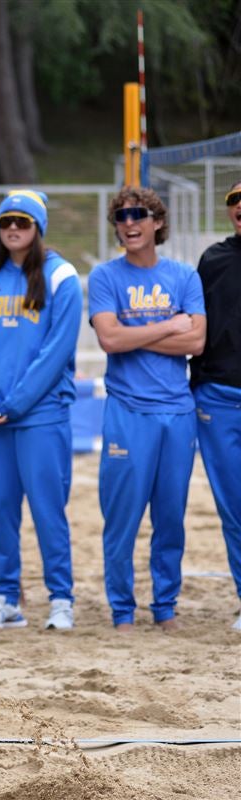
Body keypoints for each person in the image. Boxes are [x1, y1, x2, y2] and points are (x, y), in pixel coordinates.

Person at [88, 186, 205, 631]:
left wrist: (137, 330)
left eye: (138, 214)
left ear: (157, 222)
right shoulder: (105, 277)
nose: (129, 222)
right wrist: (166, 325)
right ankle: (122, 610)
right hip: (128, 412)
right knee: (122, 519)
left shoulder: (183, 276)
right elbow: (110, 340)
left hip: (177, 413)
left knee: (170, 518)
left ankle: (165, 607)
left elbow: (195, 341)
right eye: (120, 216)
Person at [0, 191, 81, 631]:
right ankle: (6, 598)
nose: (13, 228)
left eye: (23, 221)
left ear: (39, 228)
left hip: (40, 415)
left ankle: (61, 600)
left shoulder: (61, 276)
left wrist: (15, 402)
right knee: (0, 511)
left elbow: (56, 351)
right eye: (6, 221)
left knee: (49, 510)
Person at [189, 180, 241, 632]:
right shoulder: (214, 260)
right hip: (219, 397)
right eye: (233, 199)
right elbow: (195, 330)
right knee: (233, 506)